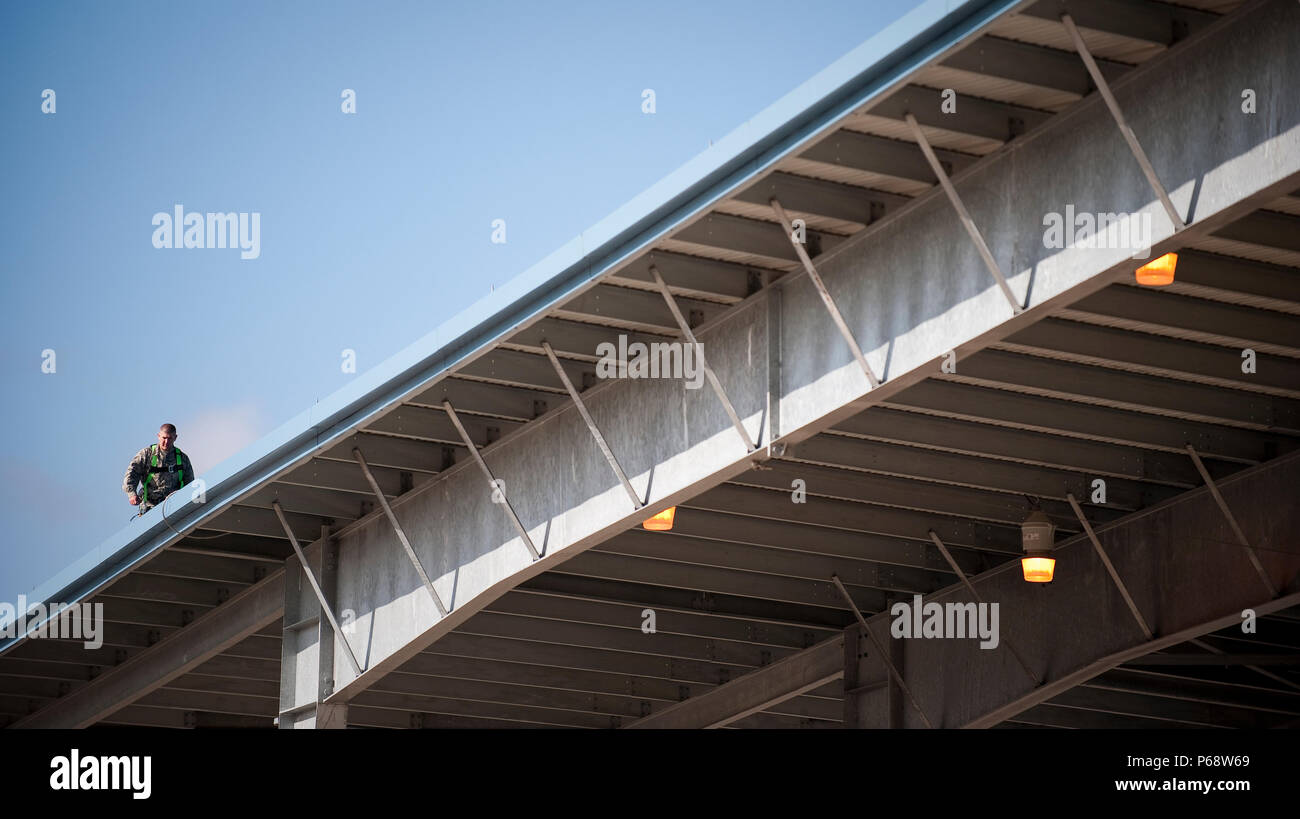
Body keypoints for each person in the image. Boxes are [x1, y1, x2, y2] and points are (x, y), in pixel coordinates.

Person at [124, 423, 195, 513]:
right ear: (158, 436)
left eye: (170, 438)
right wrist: (131, 494)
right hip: (150, 507)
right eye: (164, 438)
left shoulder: (182, 458)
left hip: (174, 507)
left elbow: (190, 484)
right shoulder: (147, 454)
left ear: (175, 437)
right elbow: (131, 473)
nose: (166, 442)